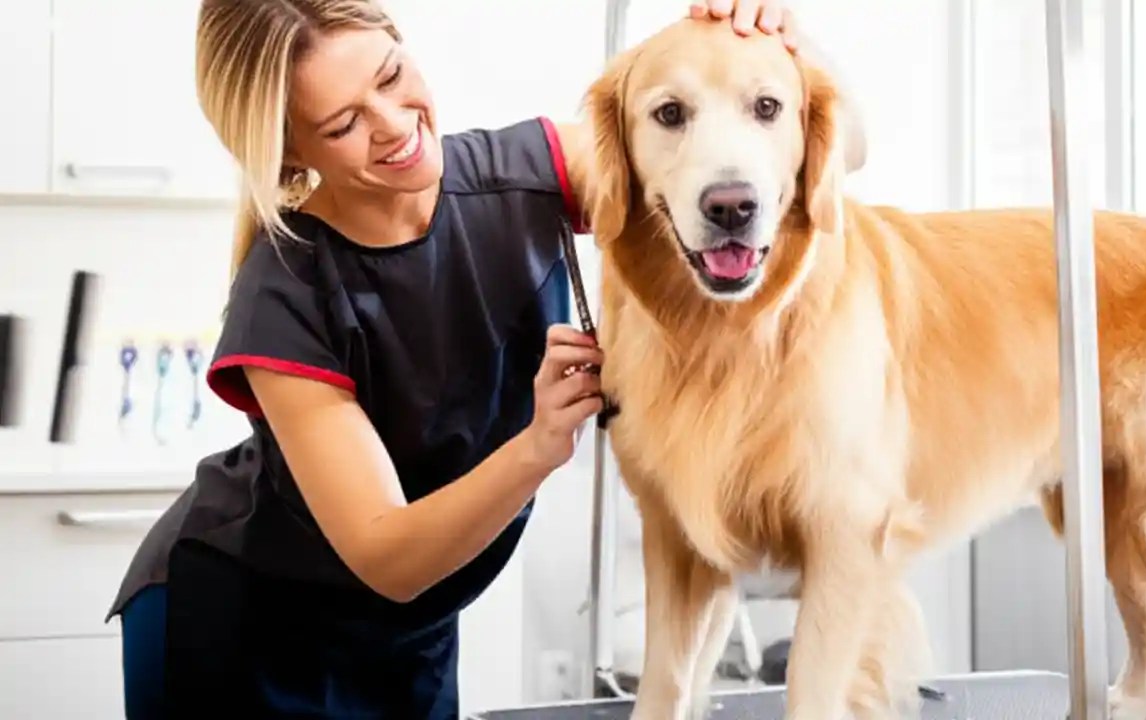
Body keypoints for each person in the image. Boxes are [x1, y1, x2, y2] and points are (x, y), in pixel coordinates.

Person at [105, 0, 814, 717]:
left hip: (413, 635)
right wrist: (539, 445)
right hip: (250, 632)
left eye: (390, 75)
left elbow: (822, 153)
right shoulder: (285, 291)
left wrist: (786, 56)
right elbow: (389, 557)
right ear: (292, 153)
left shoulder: (526, 174)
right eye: (344, 124)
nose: (393, 125)